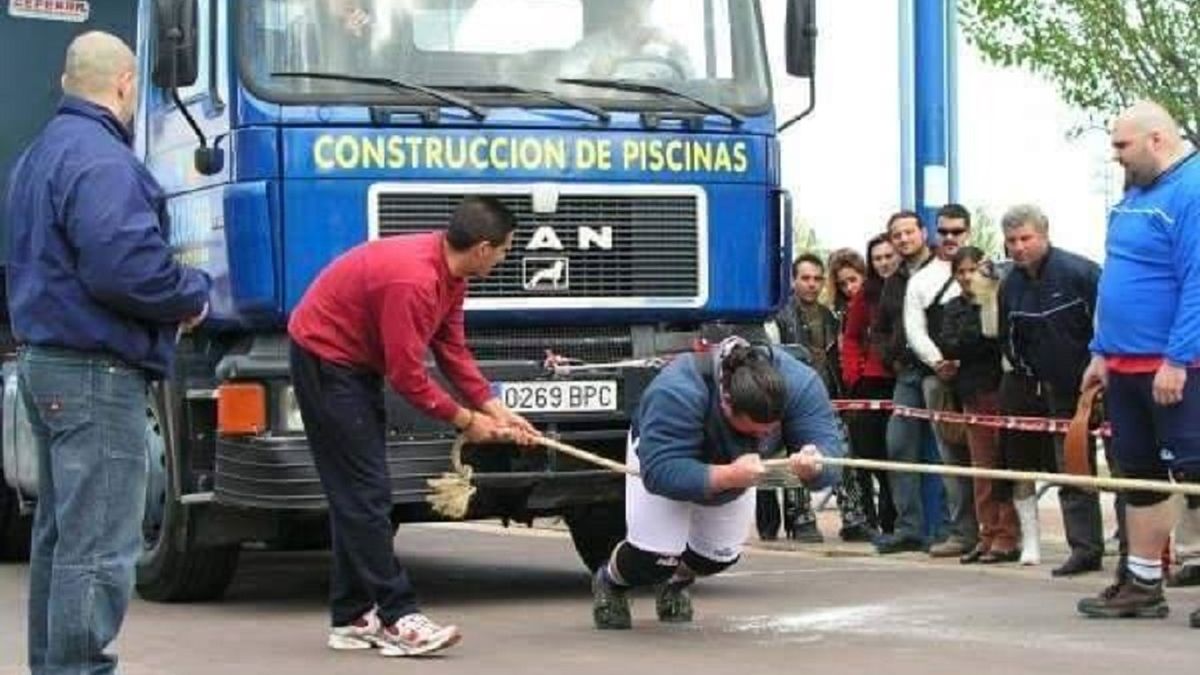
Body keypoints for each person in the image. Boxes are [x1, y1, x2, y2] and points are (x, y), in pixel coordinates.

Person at [4, 32, 211, 674]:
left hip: (47, 361)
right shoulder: (102, 161)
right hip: (95, 371)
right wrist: (190, 293)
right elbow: (124, 267)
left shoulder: (38, 156)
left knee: (65, 537)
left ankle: (55, 667)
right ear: (126, 84)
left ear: (67, 81)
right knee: (97, 546)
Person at [287, 196, 539, 656]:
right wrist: (467, 422)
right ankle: (398, 616)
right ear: (482, 248)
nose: (504, 258)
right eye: (504, 249)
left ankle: (349, 617)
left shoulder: (453, 273)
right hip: (326, 359)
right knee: (366, 494)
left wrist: (494, 407)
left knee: (358, 493)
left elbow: (451, 348)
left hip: (356, 364)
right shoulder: (415, 280)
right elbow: (407, 377)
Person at [590, 338, 842, 629]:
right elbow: (660, 472)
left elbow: (829, 453)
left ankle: (674, 581)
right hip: (666, 458)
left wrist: (817, 464)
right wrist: (728, 475)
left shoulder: (801, 385)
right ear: (726, 402)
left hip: (738, 468)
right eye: (752, 431)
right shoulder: (677, 391)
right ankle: (611, 581)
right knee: (655, 557)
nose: (762, 438)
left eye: (769, 432)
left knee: (716, 557)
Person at [1076, 102, 1200, 627]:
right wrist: (1101, 351)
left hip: (1176, 368)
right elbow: (1120, 277)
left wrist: (1178, 359)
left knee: (1196, 474)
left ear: (1156, 140)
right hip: (1124, 366)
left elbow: (1198, 280)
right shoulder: (1133, 196)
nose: (1116, 155)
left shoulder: (1192, 191)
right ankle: (1143, 582)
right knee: (1140, 477)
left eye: (1122, 145)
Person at [998, 204, 1108, 575]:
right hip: (1058, 393)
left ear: (1044, 235)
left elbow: (1110, 322)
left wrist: (1102, 369)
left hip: (1106, 383)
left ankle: (1134, 554)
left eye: (1025, 238)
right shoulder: (1010, 285)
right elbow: (1009, 340)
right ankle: (1084, 549)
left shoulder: (1082, 272)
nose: (1018, 247)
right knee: (1072, 471)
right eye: (1011, 240)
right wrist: (1034, 377)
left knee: (1125, 470)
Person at [764, 254, 870, 543]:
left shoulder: (830, 316)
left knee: (840, 454)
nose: (812, 284)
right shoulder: (778, 318)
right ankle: (801, 519)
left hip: (829, 397)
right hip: (791, 399)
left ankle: (853, 518)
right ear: (793, 280)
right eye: (805, 278)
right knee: (796, 456)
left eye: (817, 278)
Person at [901, 203, 979, 559]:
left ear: (969, 232)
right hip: (941, 382)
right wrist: (939, 363)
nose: (950, 238)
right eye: (944, 231)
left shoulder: (991, 272)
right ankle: (963, 533)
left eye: (957, 231)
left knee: (993, 460)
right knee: (952, 461)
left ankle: (1001, 533)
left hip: (986, 383)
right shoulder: (921, 281)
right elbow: (914, 330)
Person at [937, 247, 1020, 563]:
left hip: (1004, 391)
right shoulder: (953, 308)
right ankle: (988, 533)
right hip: (973, 394)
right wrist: (975, 337)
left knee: (1007, 467)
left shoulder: (1002, 302)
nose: (968, 277)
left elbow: (995, 340)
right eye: (961, 271)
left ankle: (1008, 535)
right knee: (982, 469)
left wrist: (983, 321)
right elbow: (951, 343)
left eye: (975, 270)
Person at [871, 211, 939, 554]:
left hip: (942, 373)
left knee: (945, 451)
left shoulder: (944, 269)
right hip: (907, 374)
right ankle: (908, 527)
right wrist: (890, 356)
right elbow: (880, 328)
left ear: (922, 233)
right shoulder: (894, 281)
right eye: (896, 234)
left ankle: (947, 530)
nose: (903, 239)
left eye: (908, 232)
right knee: (898, 447)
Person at [842, 234, 900, 535]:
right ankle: (870, 518)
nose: (884, 262)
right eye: (877, 258)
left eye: (889, 256)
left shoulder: (909, 285)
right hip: (869, 386)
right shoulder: (866, 295)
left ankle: (894, 521)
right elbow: (851, 336)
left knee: (898, 456)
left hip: (901, 382)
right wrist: (855, 373)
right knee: (869, 455)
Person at [558, 0, 692, 81]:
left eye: (644, 11)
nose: (639, 19)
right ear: (618, 14)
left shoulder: (662, 49)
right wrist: (592, 73)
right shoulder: (590, 48)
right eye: (631, 12)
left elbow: (691, 85)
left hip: (655, 115)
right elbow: (564, 86)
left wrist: (676, 47)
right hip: (604, 115)